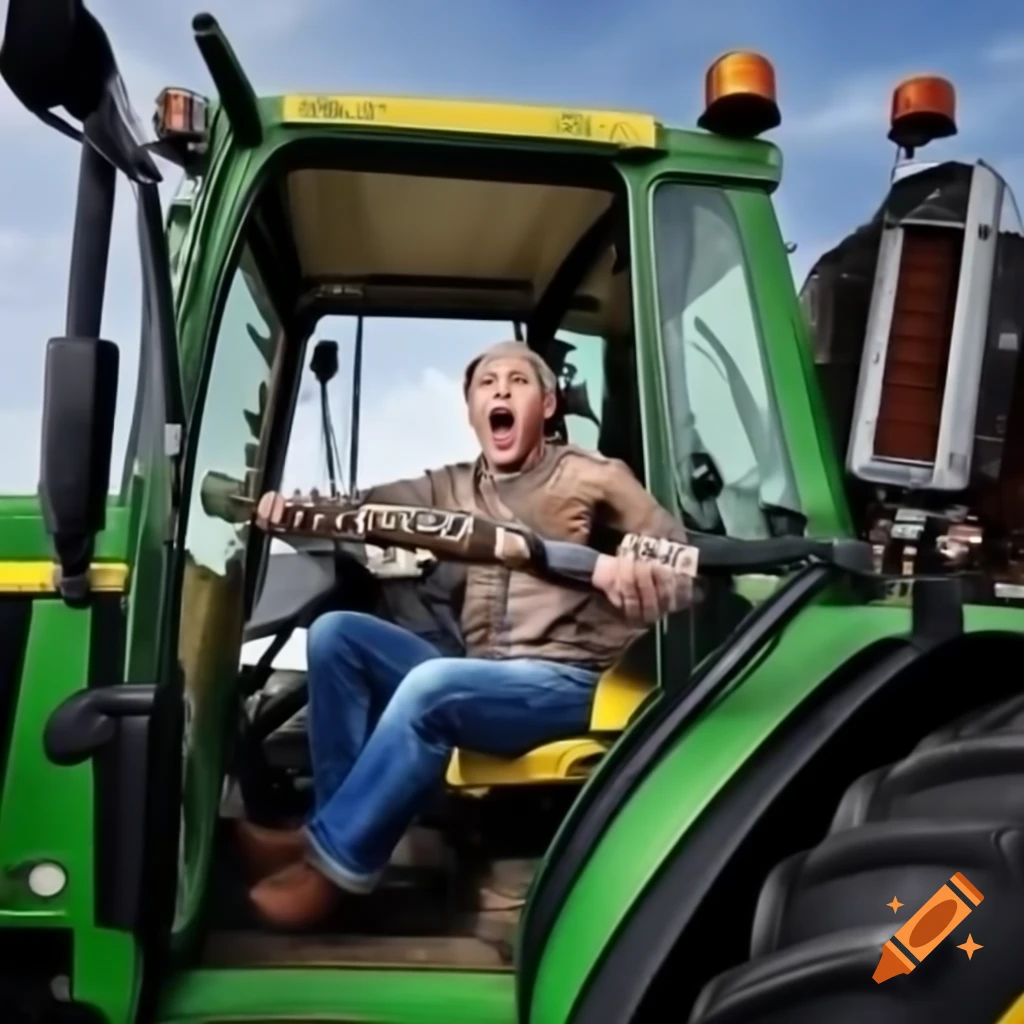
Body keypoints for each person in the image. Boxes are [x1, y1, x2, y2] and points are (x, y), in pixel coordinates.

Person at [239, 339, 693, 928]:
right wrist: (290, 511)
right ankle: (324, 831)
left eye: (518, 381)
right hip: (484, 670)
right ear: (472, 409)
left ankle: (335, 872)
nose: (500, 390)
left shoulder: (595, 476)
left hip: (569, 679)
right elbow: (366, 509)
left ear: (549, 404)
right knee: (336, 635)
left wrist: (643, 570)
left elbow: (675, 553)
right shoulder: (448, 487)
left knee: (433, 686)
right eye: (487, 383)